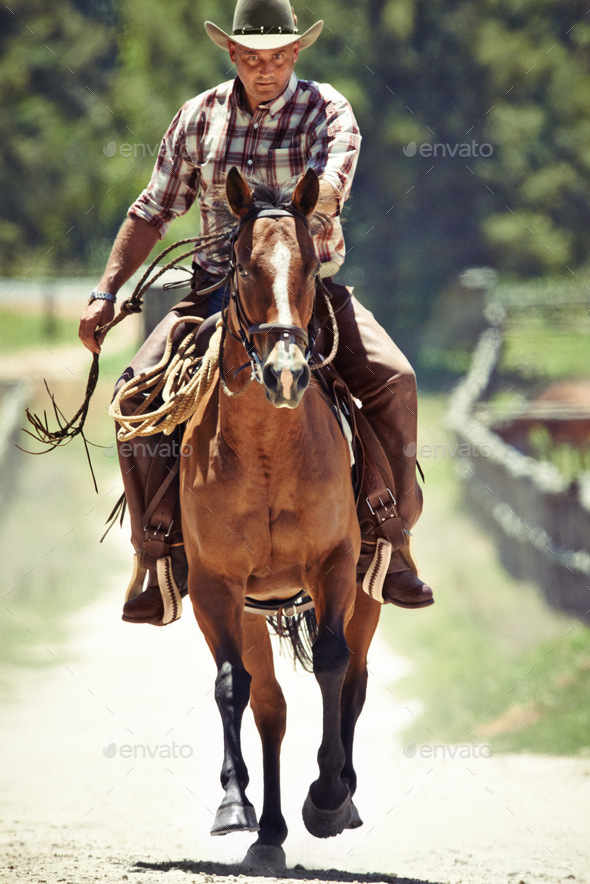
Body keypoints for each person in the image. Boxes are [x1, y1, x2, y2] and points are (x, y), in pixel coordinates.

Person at [78, 0, 434, 624]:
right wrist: (107, 292)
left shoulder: (327, 109)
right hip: (218, 290)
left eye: (276, 57)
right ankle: (156, 556)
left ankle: (390, 540)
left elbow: (332, 186)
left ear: (296, 53)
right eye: (251, 57)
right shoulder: (199, 118)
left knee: (394, 377)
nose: (264, 69)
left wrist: (287, 207)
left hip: (305, 291)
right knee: (134, 392)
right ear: (233, 54)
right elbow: (153, 209)